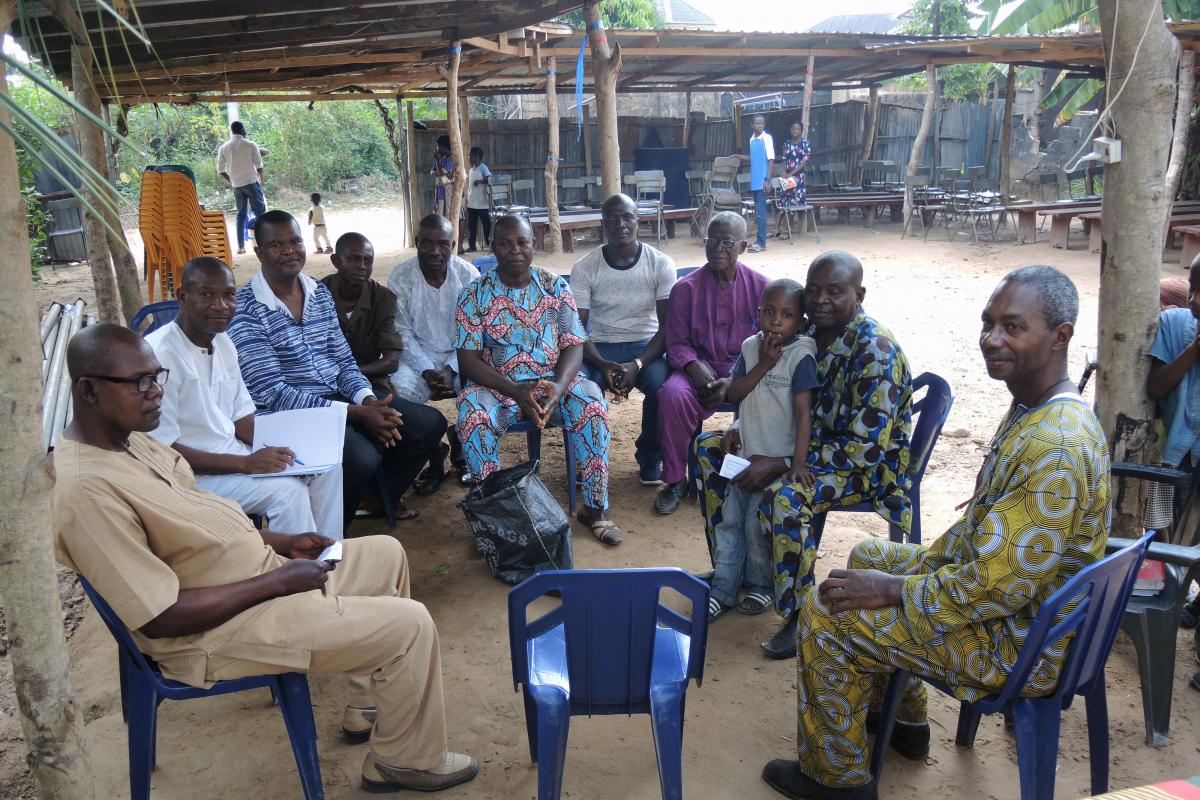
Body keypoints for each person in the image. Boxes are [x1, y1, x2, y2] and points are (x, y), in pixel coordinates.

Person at [53, 323, 479, 794]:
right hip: (213, 631)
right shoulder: (88, 492)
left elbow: (199, 524)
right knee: (410, 625)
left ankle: (368, 708)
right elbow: (160, 617)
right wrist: (277, 583)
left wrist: (281, 542)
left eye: (158, 377)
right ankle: (403, 762)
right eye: (140, 382)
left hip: (255, 579)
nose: (156, 391)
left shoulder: (130, 440)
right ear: (89, 391)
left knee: (386, 555)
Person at [761, 265, 1110, 800]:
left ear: (1060, 336)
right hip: (1024, 609)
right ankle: (906, 722)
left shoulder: (1054, 446)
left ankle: (835, 780)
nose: (991, 338)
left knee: (827, 613)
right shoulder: (1039, 407)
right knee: (870, 554)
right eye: (988, 323)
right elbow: (989, 543)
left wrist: (894, 589)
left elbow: (995, 588)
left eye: (1013, 327)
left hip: (1018, 642)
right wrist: (899, 575)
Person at [697, 251, 914, 659]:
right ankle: (734, 569)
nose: (820, 300)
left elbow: (863, 450)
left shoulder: (876, 352)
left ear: (859, 295)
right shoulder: (804, 331)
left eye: (835, 291)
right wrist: (739, 429)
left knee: (787, 496)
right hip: (798, 444)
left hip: (862, 467)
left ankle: (800, 611)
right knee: (711, 452)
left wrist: (781, 463)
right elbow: (766, 393)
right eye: (813, 290)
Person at [227, 210, 448, 530]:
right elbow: (273, 394)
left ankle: (372, 495)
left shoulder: (318, 294)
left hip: (339, 398)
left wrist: (368, 400)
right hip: (287, 414)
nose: (289, 250)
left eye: (295, 241)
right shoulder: (246, 308)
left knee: (428, 423)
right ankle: (324, 535)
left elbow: (344, 362)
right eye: (276, 245)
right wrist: (356, 414)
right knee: (361, 456)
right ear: (259, 252)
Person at [146, 257, 343, 539]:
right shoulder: (160, 355)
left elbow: (241, 419)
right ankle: (295, 565)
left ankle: (327, 553)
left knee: (326, 465)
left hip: (234, 454)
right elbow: (163, 451)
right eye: (207, 294)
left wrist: (295, 453)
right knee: (288, 492)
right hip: (190, 473)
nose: (220, 305)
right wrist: (247, 464)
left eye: (228, 295)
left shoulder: (223, 342)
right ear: (183, 297)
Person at [455, 215, 623, 545]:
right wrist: (514, 390)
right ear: (494, 249)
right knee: (472, 416)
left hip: (551, 384)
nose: (515, 250)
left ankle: (595, 508)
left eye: (522, 242)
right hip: (498, 387)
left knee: (592, 403)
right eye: (505, 244)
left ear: (533, 244)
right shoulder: (474, 294)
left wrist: (559, 386)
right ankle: (496, 521)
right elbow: (468, 360)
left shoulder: (554, 287)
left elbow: (573, 344)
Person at [706, 278, 818, 623]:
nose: (775, 321)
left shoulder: (801, 355)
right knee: (730, 523)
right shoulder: (751, 347)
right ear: (758, 313)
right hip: (744, 457)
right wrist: (764, 365)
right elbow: (736, 394)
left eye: (787, 315)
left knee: (757, 528)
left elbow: (804, 413)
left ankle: (760, 586)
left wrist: (797, 462)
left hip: (774, 464)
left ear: (800, 321)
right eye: (769, 311)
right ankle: (723, 589)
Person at [653, 211, 769, 515]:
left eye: (727, 242)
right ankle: (675, 479)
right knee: (672, 395)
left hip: (746, 371)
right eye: (712, 240)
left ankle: (750, 479)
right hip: (699, 367)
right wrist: (693, 367)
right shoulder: (685, 288)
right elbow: (676, 341)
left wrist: (734, 380)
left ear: (742, 247)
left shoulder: (763, 288)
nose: (718, 248)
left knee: (772, 397)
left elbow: (769, 343)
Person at [321, 231, 450, 499]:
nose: (362, 266)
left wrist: (346, 375)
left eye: (367, 260)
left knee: (406, 422)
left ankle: (384, 493)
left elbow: (390, 361)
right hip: (322, 388)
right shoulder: (316, 295)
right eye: (353, 259)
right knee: (361, 441)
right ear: (336, 261)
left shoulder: (382, 298)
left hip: (369, 383)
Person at [571, 193, 676, 485]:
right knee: (580, 388)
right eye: (612, 219)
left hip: (646, 346)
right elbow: (576, 329)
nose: (621, 225)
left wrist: (637, 364)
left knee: (663, 388)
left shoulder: (660, 264)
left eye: (627, 217)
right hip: (598, 347)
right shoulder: (585, 267)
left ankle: (650, 457)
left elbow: (668, 328)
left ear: (638, 220)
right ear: (603, 224)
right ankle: (589, 459)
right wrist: (602, 364)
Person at [386, 214, 480, 483]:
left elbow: (475, 331)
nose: (435, 251)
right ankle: (433, 450)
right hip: (416, 357)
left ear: (452, 245)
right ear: (417, 243)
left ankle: (462, 441)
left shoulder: (468, 275)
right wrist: (427, 370)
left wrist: (451, 368)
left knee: (480, 388)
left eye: (442, 244)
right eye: (427, 243)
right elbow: (401, 331)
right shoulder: (401, 276)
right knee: (400, 392)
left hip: (462, 356)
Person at [1145, 253, 1200, 665]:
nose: (1195, 299)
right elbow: (1156, 387)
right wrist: (1196, 348)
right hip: (1175, 460)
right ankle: (1170, 599)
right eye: (1193, 288)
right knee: (1168, 536)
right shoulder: (1175, 325)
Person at [216, 120, 266, 256]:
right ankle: (264, 243)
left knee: (241, 215)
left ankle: (241, 247)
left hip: (237, 186)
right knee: (260, 213)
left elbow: (220, 170)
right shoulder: (250, 144)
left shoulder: (224, 147)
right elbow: (259, 165)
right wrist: (261, 178)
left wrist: (232, 180)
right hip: (251, 183)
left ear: (232, 131)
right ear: (243, 130)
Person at [737, 114, 774, 253]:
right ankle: (759, 240)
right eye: (757, 123)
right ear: (752, 125)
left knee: (761, 213)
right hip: (755, 181)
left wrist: (768, 180)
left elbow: (771, 159)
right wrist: (738, 156)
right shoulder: (752, 139)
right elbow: (754, 157)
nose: (759, 125)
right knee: (758, 213)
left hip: (763, 181)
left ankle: (761, 243)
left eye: (761, 123)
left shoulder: (766, 138)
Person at [778, 121, 811, 211]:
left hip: (798, 177)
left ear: (801, 131)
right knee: (787, 202)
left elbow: (804, 162)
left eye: (797, 129)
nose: (795, 131)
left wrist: (791, 173)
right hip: (787, 176)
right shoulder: (786, 144)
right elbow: (784, 160)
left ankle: (800, 219)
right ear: (790, 130)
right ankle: (788, 220)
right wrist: (784, 171)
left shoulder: (805, 143)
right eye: (793, 129)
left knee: (799, 203)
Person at [464, 147, 492, 253]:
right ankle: (472, 246)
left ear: (477, 157)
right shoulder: (471, 170)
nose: (469, 157)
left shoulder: (483, 168)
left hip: (482, 203)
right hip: (471, 203)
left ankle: (490, 245)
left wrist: (480, 181)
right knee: (471, 226)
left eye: (470, 155)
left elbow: (490, 178)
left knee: (486, 225)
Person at [431, 135, 455, 218]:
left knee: (448, 216)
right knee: (440, 217)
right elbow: (432, 172)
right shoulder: (442, 158)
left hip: (448, 193)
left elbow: (441, 174)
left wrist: (437, 161)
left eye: (438, 146)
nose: (437, 148)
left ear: (443, 147)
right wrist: (445, 174)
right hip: (440, 192)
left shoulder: (452, 159)